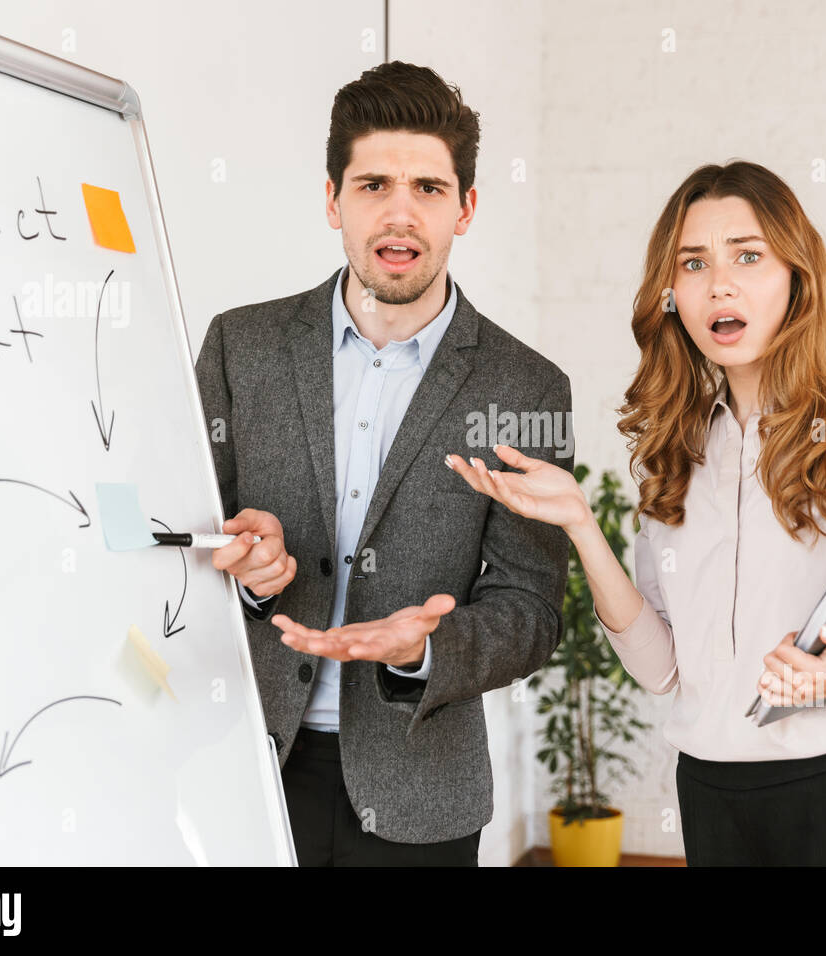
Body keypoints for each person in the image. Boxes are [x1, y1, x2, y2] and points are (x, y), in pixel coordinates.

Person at [445, 160, 826, 866]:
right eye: (694, 263)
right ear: (672, 294)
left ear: (795, 277)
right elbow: (660, 669)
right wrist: (581, 527)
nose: (720, 283)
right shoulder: (675, 452)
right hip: (710, 798)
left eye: (748, 255)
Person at [194, 61, 572, 866]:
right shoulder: (240, 347)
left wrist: (423, 648)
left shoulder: (526, 386)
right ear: (333, 199)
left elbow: (531, 611)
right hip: (249, 770)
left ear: (466, 207)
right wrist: (250, 576)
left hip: (421, 795)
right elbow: (184, 546)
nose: (400, 216)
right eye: (373, 185)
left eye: (429, 189)